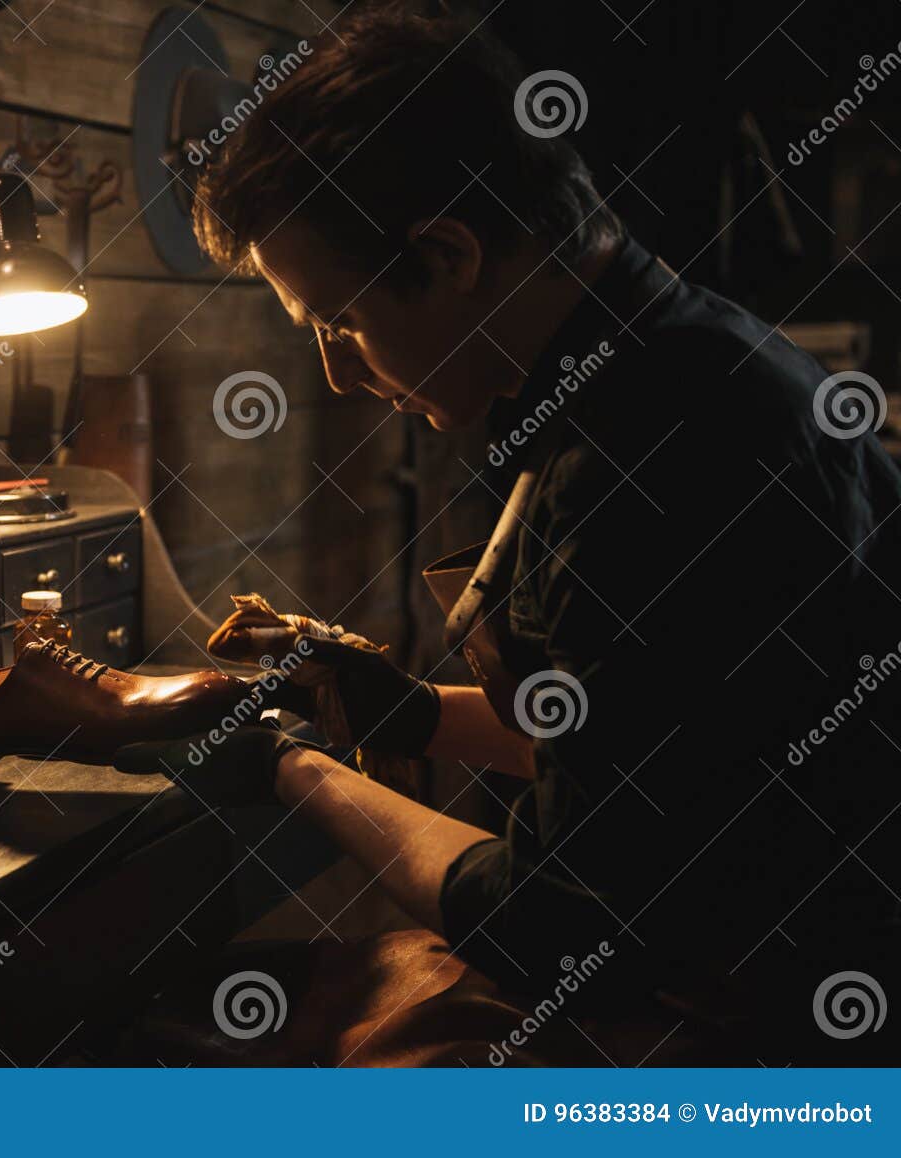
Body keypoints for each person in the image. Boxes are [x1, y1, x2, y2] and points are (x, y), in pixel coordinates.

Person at [114, 2, 901, 1065]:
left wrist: (300, 770)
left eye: (338, 323)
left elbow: (567, 927)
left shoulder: (647, 459)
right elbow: (660, 751)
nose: (342, 373)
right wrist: (412, 716)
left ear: (445, 255)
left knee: (169, 1040)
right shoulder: (670, 360)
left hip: (781, 1041)